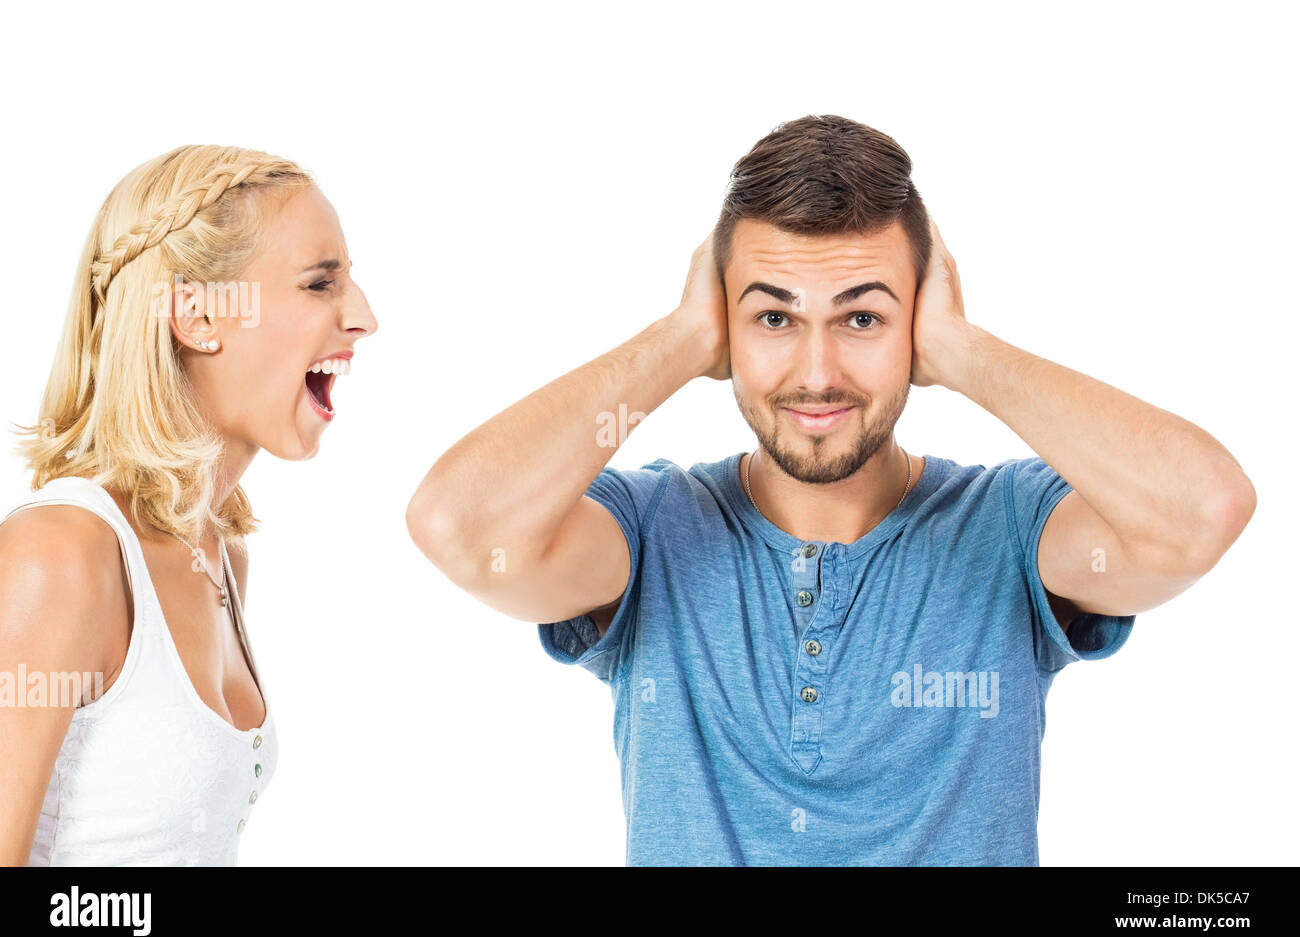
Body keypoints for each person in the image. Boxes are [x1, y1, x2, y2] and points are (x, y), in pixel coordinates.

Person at [405, 114, 1255, 865]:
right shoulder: (648, 532)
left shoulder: (1009, 530)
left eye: (862, 317)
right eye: (773, 317)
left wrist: (964, 353)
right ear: (724, 328)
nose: (817, 375)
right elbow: (459, 527)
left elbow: (1202, 511)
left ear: (917, 323)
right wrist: (677, 337)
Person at [0, 145, 378, 865]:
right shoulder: (62, 554)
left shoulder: (224, 560)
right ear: (199, 315)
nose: (363, 317)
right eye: (320, 284)